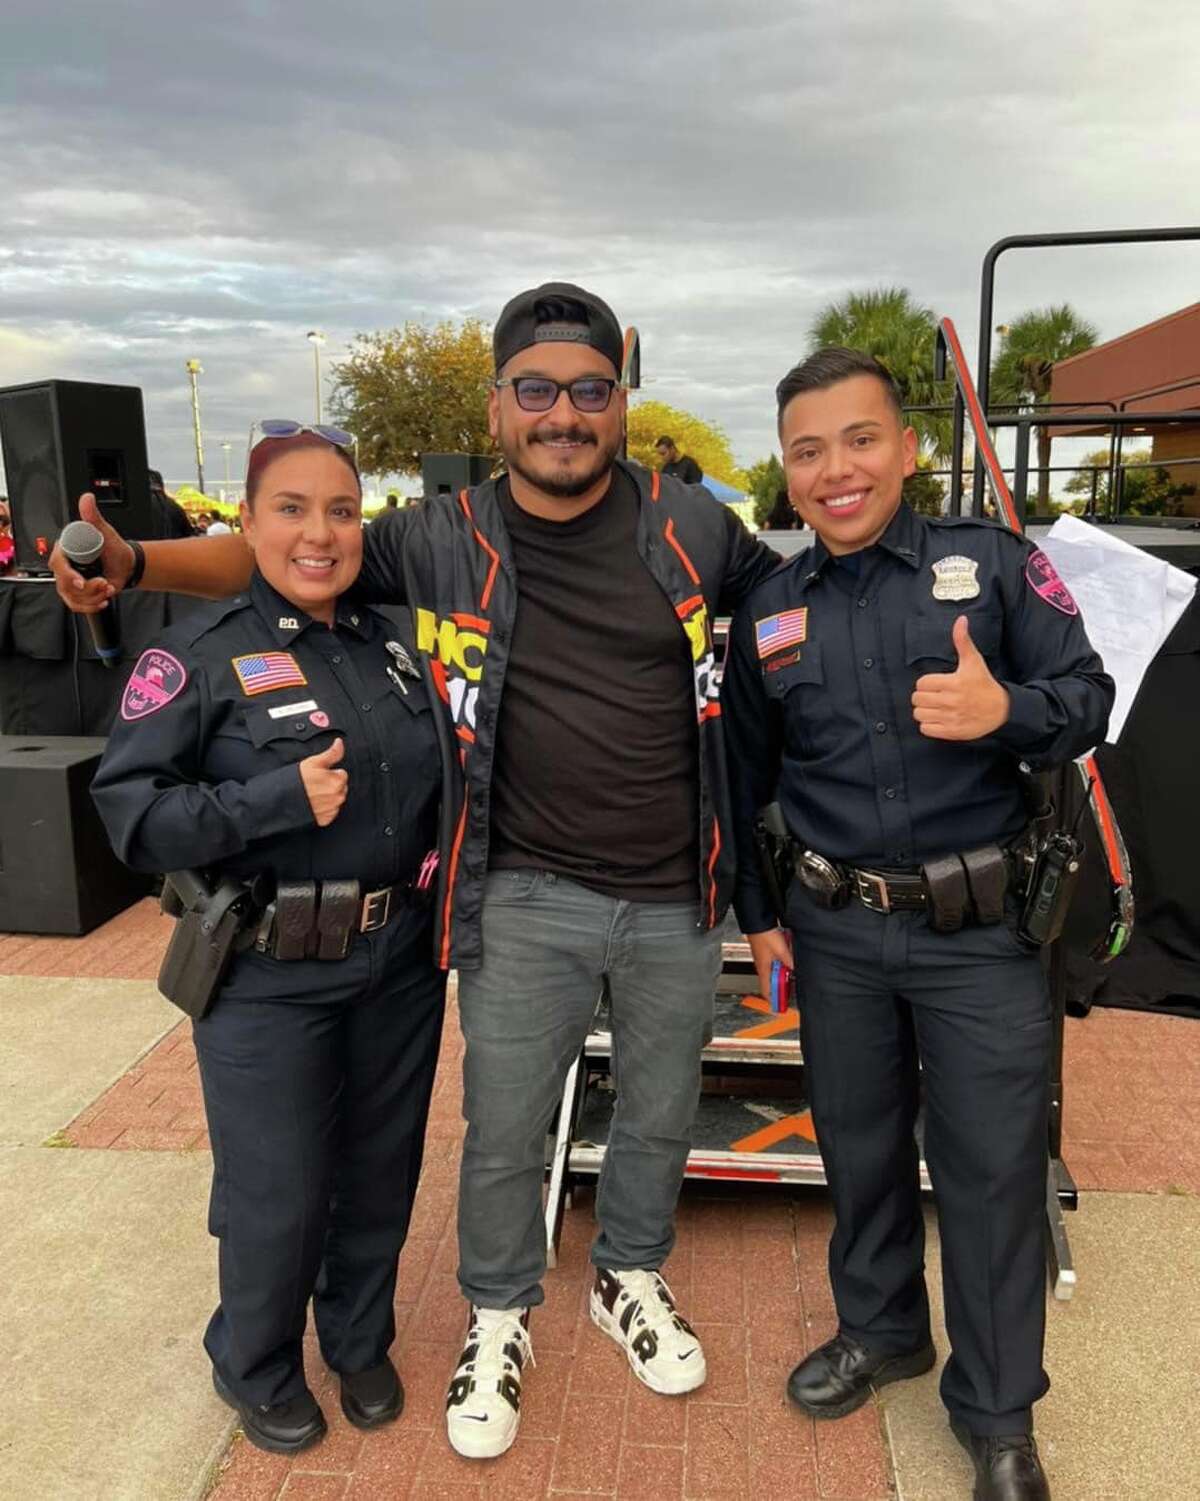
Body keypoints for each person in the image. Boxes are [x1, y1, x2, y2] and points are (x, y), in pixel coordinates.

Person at [53, 281, 780, 1461]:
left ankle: (629, 1276)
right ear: (497, 406)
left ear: (622, 402)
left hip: (674, 893)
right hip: (524, 889)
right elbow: (282, 546)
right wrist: (133, 558)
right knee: (501, 1128)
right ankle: (499, 1314)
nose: (563, 412)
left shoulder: (693, 526)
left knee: (656, 1115)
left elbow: (800, 601)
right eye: (536, 389)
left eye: (590, 389)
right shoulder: (435, 535)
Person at [721, 349, 1115, 1501]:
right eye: (808, 450)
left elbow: (1087, 697)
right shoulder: (769, 612)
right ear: (787, 473)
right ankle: (883, 1327)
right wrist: (762, 918)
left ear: (904, 446)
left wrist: (1007, 712)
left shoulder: (991, 568)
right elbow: (742, 773)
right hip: (835, 931)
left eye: (858, 439)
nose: (836, 469)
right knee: (857, 1144)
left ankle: (997, 1419)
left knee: (992, 1170)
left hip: (978, 934)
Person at [90, 426, 453, 1457]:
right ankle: (253, 1358)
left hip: (396, 960)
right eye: (291, 508)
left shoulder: (389, 643)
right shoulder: (192, 656)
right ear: (246, 523)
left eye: (341, 510)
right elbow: (131, 816)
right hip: (269, 969)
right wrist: (267, 800)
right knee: (281, 1185)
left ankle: (357, 1337)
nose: (319, 532)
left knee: (381, 1167)